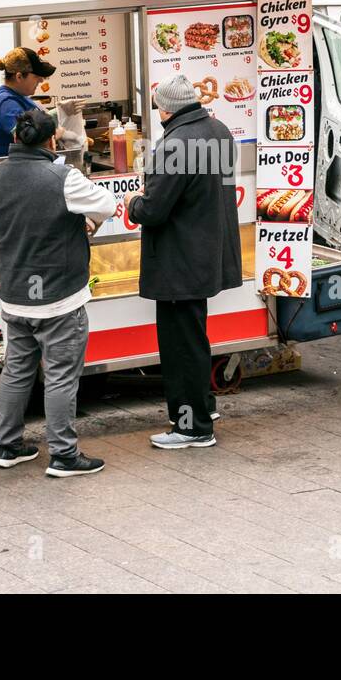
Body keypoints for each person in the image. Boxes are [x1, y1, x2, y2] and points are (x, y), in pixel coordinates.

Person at [0, 107, 116, 478]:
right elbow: (108, 205)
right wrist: (81, 222)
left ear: (16, 138)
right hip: (59, 295)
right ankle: (63, 455)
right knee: (60, 376)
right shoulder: (63, 177)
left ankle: (7, 446)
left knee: (17, 371)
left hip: (15, 293)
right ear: (52, 140)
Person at [123, 74, 241, 449]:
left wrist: (133, 203)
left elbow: (154, 210)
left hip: (179, 262)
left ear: (165, 108)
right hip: (207, 252)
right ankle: (203, 406)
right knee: (194, 338)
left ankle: (192, 427)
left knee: (180, 346)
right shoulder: (218, 129)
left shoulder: (175, 144)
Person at [0, 47, 55, 157]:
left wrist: (59, 112)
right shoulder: (6, 104)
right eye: (36, 76)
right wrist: (57, 130)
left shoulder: (20, 96)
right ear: (19, 76)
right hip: (13, 168)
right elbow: (30, 137)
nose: (41, 80)